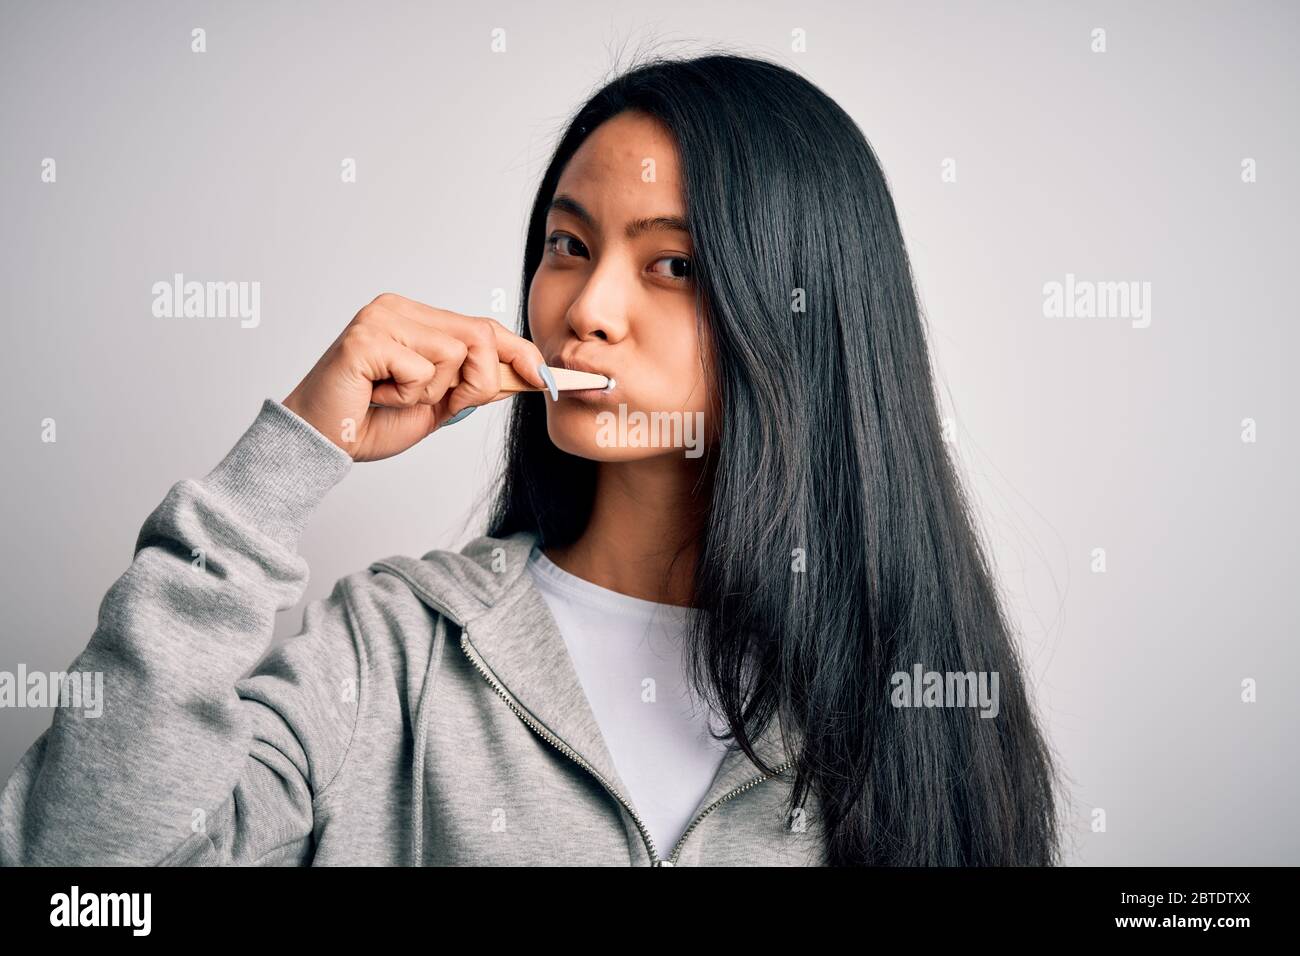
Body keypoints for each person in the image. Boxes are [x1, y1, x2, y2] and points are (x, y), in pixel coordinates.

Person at [0, 52, 1062, 866]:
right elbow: (82, 874)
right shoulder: (395, 649)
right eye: (568, 246)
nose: (585, 311)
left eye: (674, 263)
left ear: (807, 313)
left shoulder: (909, 693)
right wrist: (283, 464)